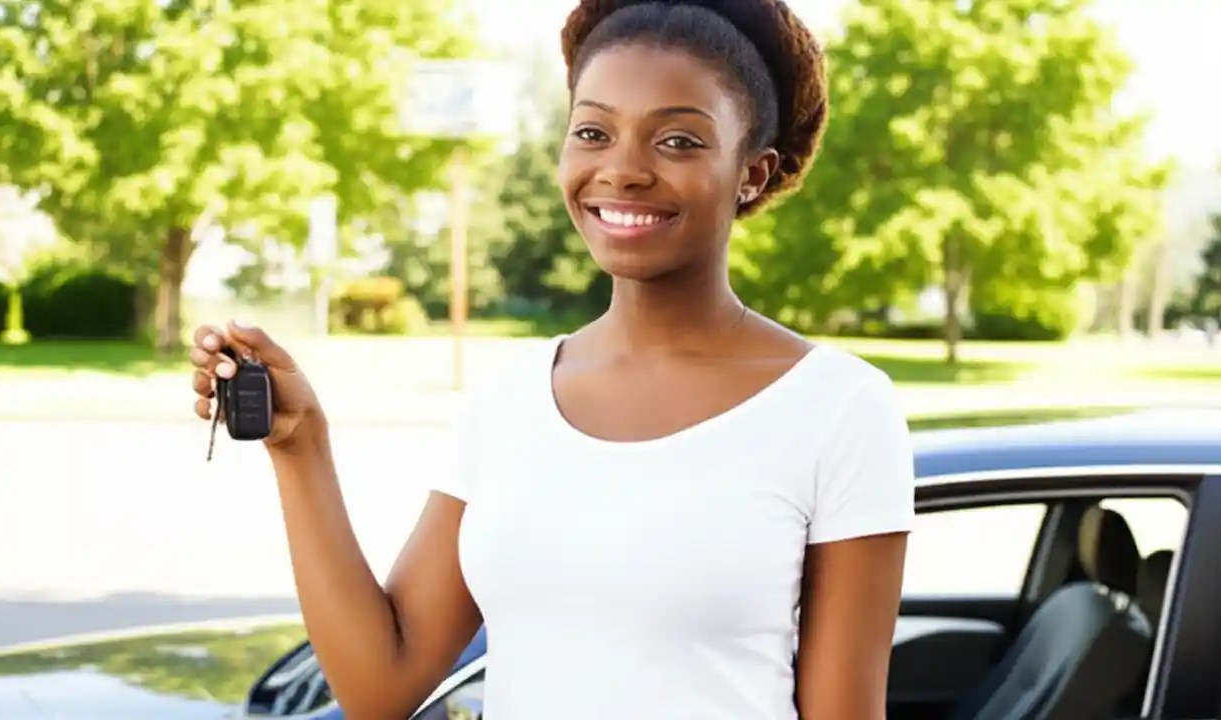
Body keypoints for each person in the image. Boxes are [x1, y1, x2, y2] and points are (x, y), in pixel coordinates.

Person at [188, 1, 915, 717]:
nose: (623, 170)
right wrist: (301, 445)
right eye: (594, 131)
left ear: (752, 173)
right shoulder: (510, 399)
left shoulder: (839, 408)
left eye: (679, 142)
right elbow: (382, 685)